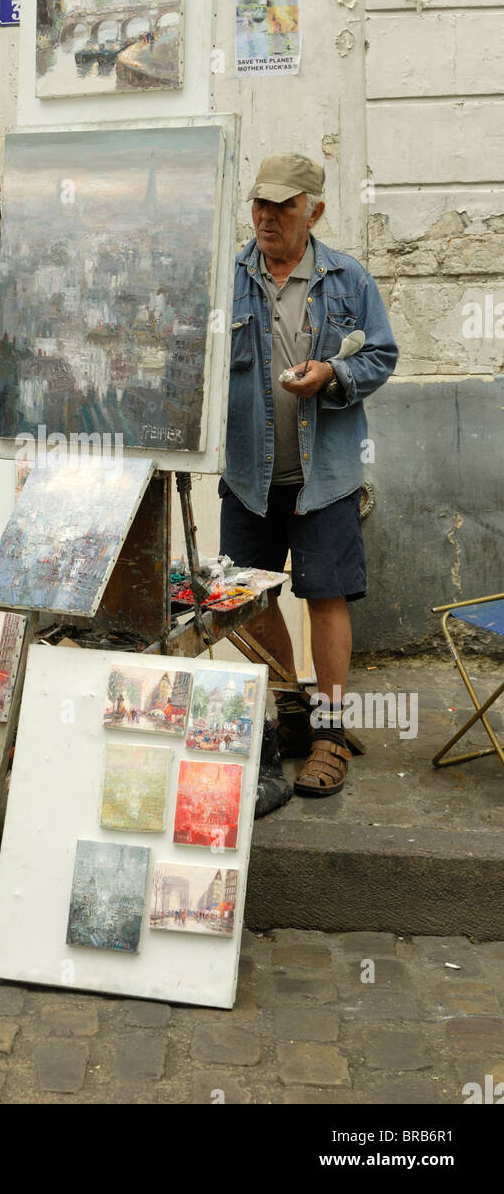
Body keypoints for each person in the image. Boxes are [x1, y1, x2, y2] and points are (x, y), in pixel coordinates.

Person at [221, 153, 398, 795]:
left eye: (282, 206)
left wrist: (333, 375)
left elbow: (382, 354)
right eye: (259, 205)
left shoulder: (349, 279)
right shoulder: (227, 276)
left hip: (324, 473)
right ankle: (291, 711)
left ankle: (329, 734)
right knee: (249, 596)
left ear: (313, 211)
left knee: (325, 597)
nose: (266, 218)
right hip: (247, 471)